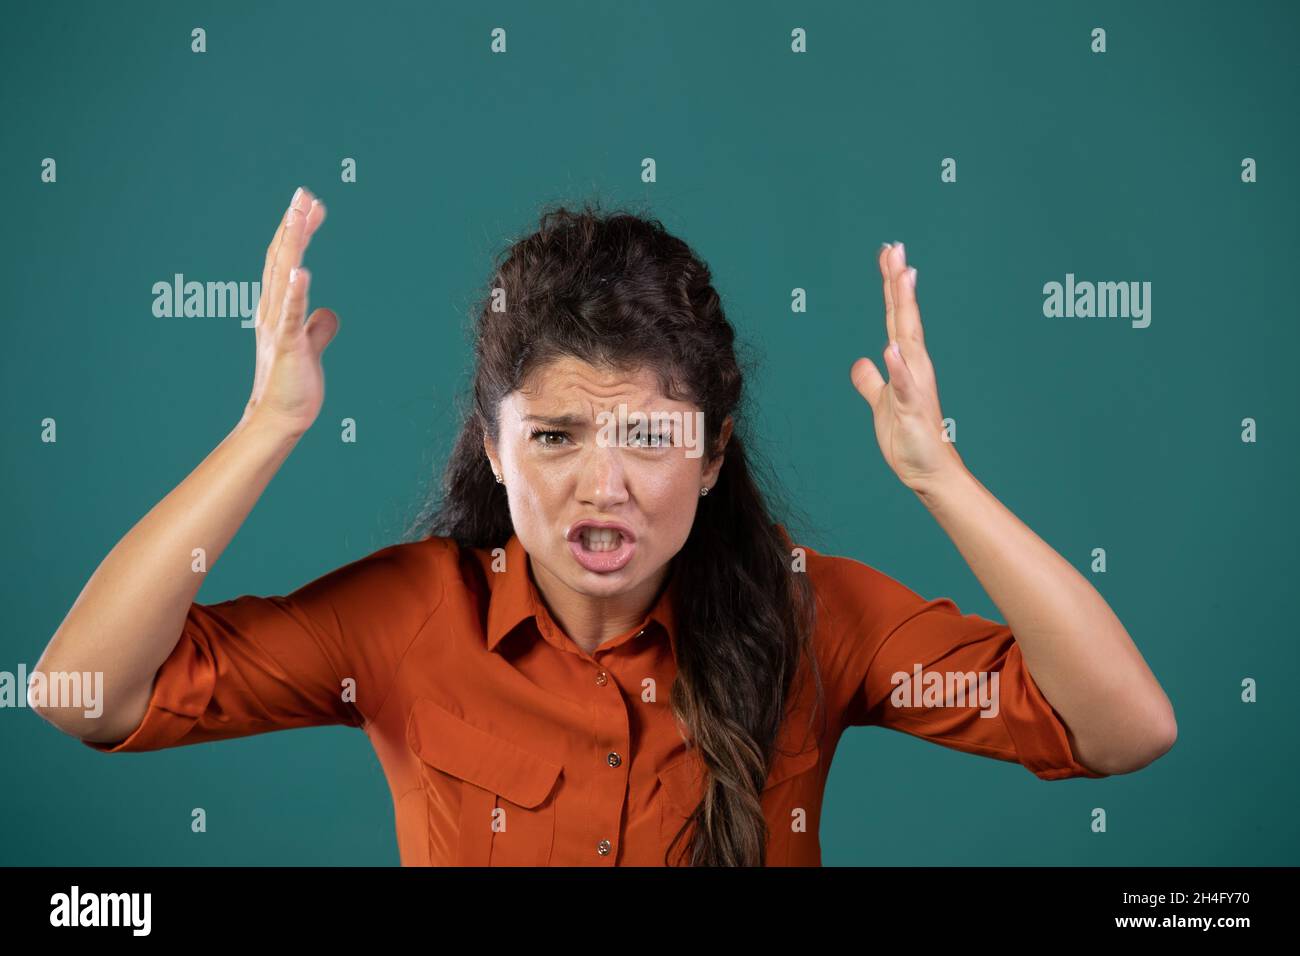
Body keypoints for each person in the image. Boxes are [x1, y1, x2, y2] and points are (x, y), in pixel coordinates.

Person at [30, 187, 1177, 866]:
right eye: (555, 435)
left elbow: (1125, 728)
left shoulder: (813, 616)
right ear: (493, 448)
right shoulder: (406, 615)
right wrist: (265, 429)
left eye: (651, 437)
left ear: (712, 455)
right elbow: (82, 692)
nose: (604, 484)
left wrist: (942, 479)